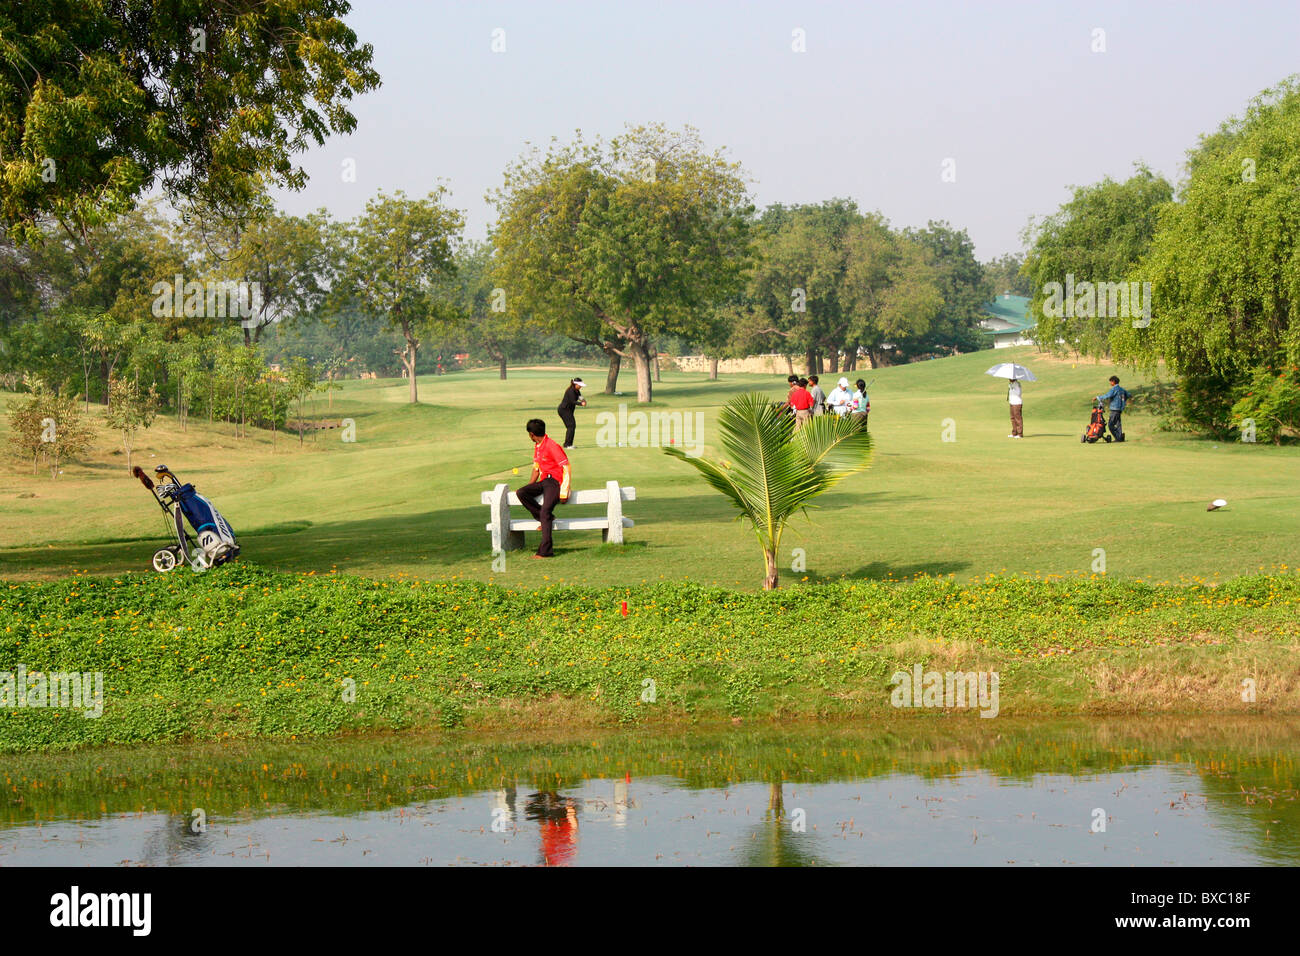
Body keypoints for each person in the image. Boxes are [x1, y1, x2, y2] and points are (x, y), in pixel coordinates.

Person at [517, 419, 571, 558]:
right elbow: (536, 468)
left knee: (545, 511)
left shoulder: (552, 445)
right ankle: (545, 518)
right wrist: (529, 486)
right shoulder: (538, 446)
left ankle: (545, 551)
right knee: (521, 492)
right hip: (544, 482)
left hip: (554, 483)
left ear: (531, 434)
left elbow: (566, 467)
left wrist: (564, 491)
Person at [1096, 375, 1131, 443]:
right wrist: (1123, 401)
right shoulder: (1122, 389)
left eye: (1110, 382)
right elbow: (1129, 395)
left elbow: (1107, 395)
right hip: (1120, 409)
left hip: (1114, 408)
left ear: (1113, 381)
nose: (1110, 383)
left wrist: (1098, 397)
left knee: (1110, 424)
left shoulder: (1114, 389)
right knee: (1118, 424)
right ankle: (1120, 437)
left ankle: (1118, 438)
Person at [557, 378, 587, 448]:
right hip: (564, 410)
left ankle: (568, 444)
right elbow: (572, 401)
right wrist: (581, 404)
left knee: (571, 426)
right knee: (571, 426)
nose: (581, 386)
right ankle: (567, 445)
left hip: (568, 411)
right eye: (580, 385)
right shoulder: (571, 391)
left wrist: (583, 400)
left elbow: (580, 396)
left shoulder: (576, 390)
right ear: (575, 384)